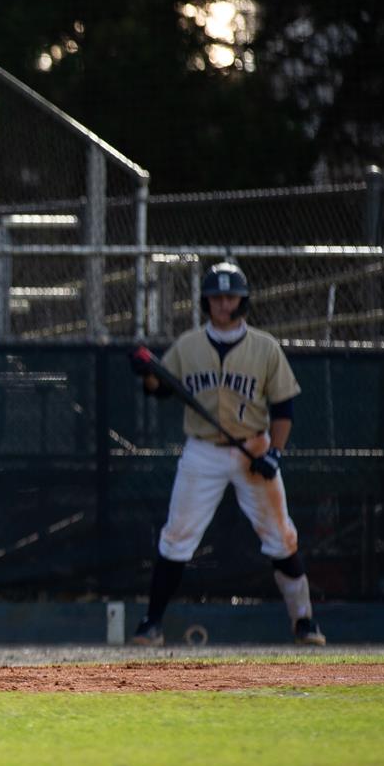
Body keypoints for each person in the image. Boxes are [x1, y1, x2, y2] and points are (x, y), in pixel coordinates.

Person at [129, 261, 326, 645]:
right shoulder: (189, 345)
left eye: (230, 296)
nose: (223, 304)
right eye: (216, 297)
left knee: (281, 536)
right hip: (203, 450)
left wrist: (276, 453)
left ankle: (304, 622)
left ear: (243, 300)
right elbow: (159, 388)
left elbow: (284, 407)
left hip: (253, 446)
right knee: (177, 535)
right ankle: (151, 623)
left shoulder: (264, 346)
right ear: (206, 301)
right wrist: (146, 369)